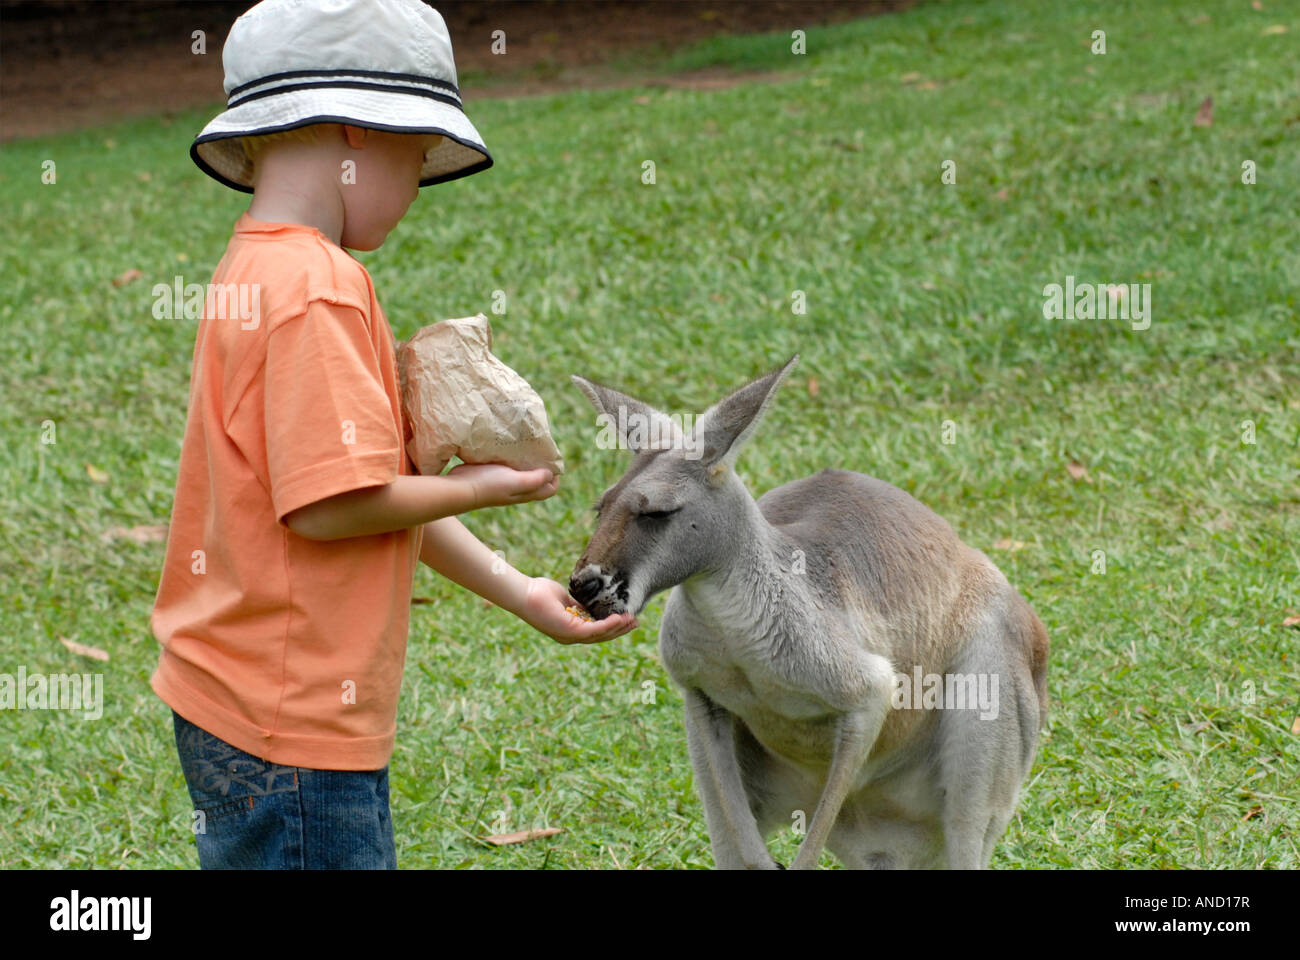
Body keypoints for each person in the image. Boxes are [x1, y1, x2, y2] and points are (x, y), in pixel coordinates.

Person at [150, 0, 636, 869]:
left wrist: (515, 588)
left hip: (235, 695)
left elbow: (365, 487)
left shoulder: (257, 266)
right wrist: (491, 483)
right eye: (416, 159)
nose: (416, 189)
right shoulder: (319, 290)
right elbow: (334, 507)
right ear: (352, 134)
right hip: (294, 722)